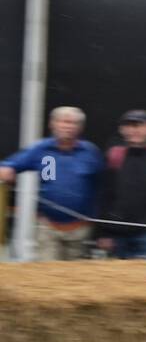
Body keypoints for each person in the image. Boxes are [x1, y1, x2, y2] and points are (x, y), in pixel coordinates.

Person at [0, 106, 103, 260]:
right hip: (47, 229)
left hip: (80, 231)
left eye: (73, 123)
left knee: (75, 278)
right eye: (63, 122)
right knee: (46, 273)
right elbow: (9, 165)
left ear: (80, 127)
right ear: (52, 124)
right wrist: (7, 169)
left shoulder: (91, 152)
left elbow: (101, 186)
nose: (67, 126)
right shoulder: (41, 149)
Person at [96, 110, 146, 259]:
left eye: (140, 125)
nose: (135, 130)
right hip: (115, 236)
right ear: (122, 129)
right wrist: (104, 233)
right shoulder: (113, 156)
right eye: (130, 125)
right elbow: (104, 195)